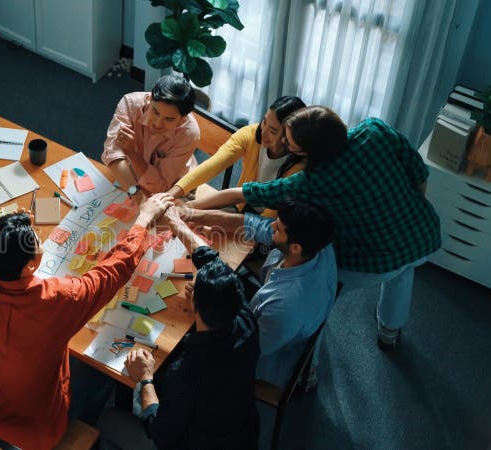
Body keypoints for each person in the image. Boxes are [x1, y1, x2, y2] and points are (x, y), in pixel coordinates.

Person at [185, 106, 441, 349]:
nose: (285, 146)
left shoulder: (311, 181)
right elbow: (420, 175)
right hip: (420, 234)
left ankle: (309, 368)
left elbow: (245, 193)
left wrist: (189, 209)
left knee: (318, 303)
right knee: (403, 273)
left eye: (291, 145)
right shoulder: (375, 129)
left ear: (310, 154)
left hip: (371, 259)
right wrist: (406, 209)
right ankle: (390, 331)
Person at [0, 194, 173, 450]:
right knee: (100, 374)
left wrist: (13, 232)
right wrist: (144, 219)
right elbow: (111, 272)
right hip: (39, 429)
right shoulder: (57, 300)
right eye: (38, 242)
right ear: (30, 265)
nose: (41, 239)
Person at [99, 207, 260, 450]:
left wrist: (145, 380)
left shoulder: (187, 373)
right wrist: (177, 223)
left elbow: (160, 432)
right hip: (242, 429)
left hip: (198, 443)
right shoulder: (246, 319)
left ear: (197, 306)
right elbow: (211, 260)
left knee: (109, 419)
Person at [179, 201, 337, 388]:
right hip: (264, 320)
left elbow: (243, 348)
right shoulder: (316, 245)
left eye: (277, 228)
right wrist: (191, 214)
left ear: (295, 248)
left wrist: (202, 309)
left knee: (181, 354)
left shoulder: (287, 308)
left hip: (254, 357)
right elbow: (254, 224)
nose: (271, 226)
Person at [167, 96, 307, 217]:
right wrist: (171, 194)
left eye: (273, 131)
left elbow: (267, 221)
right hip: (241, 204)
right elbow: (213, 165)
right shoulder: (251, 134)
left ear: (289, 136)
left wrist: (193, 211)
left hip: (270, 222)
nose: (263, 132)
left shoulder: (298, 168)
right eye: (264, 122)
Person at [102, 74, 200, 198]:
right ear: (150, 98)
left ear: (182, 118)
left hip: (173, 185)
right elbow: (112, 154)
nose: (158, 124)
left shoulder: (189, 134)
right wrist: (137, 196)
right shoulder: (130, 103)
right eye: (155, 112)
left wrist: (134, 154)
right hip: (133, 176)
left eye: (169, 119)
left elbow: (162, 186)